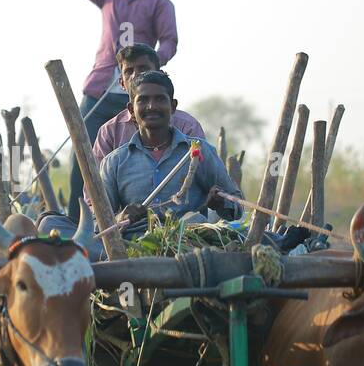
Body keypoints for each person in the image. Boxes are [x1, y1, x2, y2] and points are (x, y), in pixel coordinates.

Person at [64, 0, 178, 217]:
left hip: (139, 93)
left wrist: (151, 64)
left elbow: (170, 40)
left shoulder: (159, 3)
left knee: (133, 155)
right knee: (84, 155)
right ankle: (78, 218)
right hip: (100, 91)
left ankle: (130, 216)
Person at [39, 71, 240, 246]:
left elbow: (238, 207)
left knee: (257, 239)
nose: (151, 106)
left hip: (188, 246)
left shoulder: (198, 150)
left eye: (160, 99)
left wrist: (222, 203)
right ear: (131, 110)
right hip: (130, 250)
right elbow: (97, 223)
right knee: (50, 225)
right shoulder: (115, 161)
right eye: (143, 100)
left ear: (173, 106)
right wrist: (120, 218)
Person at [93, 44, 205, 162]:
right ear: (121, 83)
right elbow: (97, 179)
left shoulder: (187, 126)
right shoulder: (110, 132)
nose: (135, 75)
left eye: (143, 69)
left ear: (160, 75)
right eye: (129, 71)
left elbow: (205, 173)